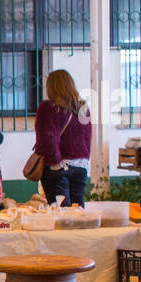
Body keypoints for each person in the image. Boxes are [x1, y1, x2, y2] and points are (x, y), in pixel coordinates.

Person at [33, 69, 91, 207]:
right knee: (78, 211)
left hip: (58, 167)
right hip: (80, 166)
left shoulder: (48, 108)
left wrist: (55, 163)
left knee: (62, 214)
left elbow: (48, 138)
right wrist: (84, 159)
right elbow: (88, 137)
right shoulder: (82, 108)